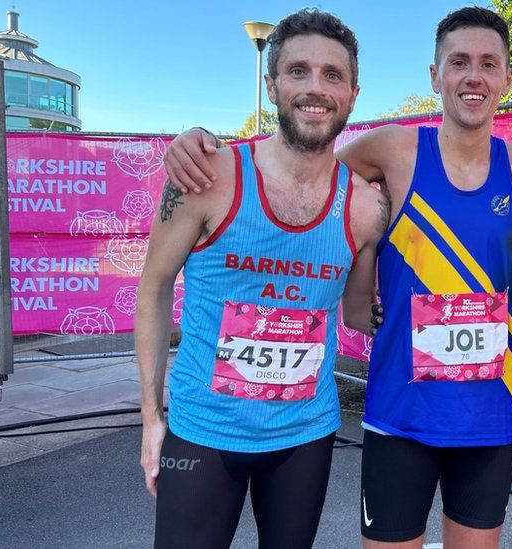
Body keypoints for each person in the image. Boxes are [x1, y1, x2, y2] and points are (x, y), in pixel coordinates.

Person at [162, 8, 512, 548]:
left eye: (489, 64)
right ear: (435, 74)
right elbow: (299, 165)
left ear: (507, 79)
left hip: (487, 418)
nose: (474, 76)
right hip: (398, 414)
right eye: (459, 62)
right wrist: (204, 147)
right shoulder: (390, 150)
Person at [135, 9, 386, 549]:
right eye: (298, 72)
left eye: (332, 75)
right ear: (271, 85)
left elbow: (359, 313)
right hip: (202, 432)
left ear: (353, 94)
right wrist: (151, 416)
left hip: (305, 437)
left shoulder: (365, 208)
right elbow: (153, 288)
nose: (315, 89)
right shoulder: (207, 175)